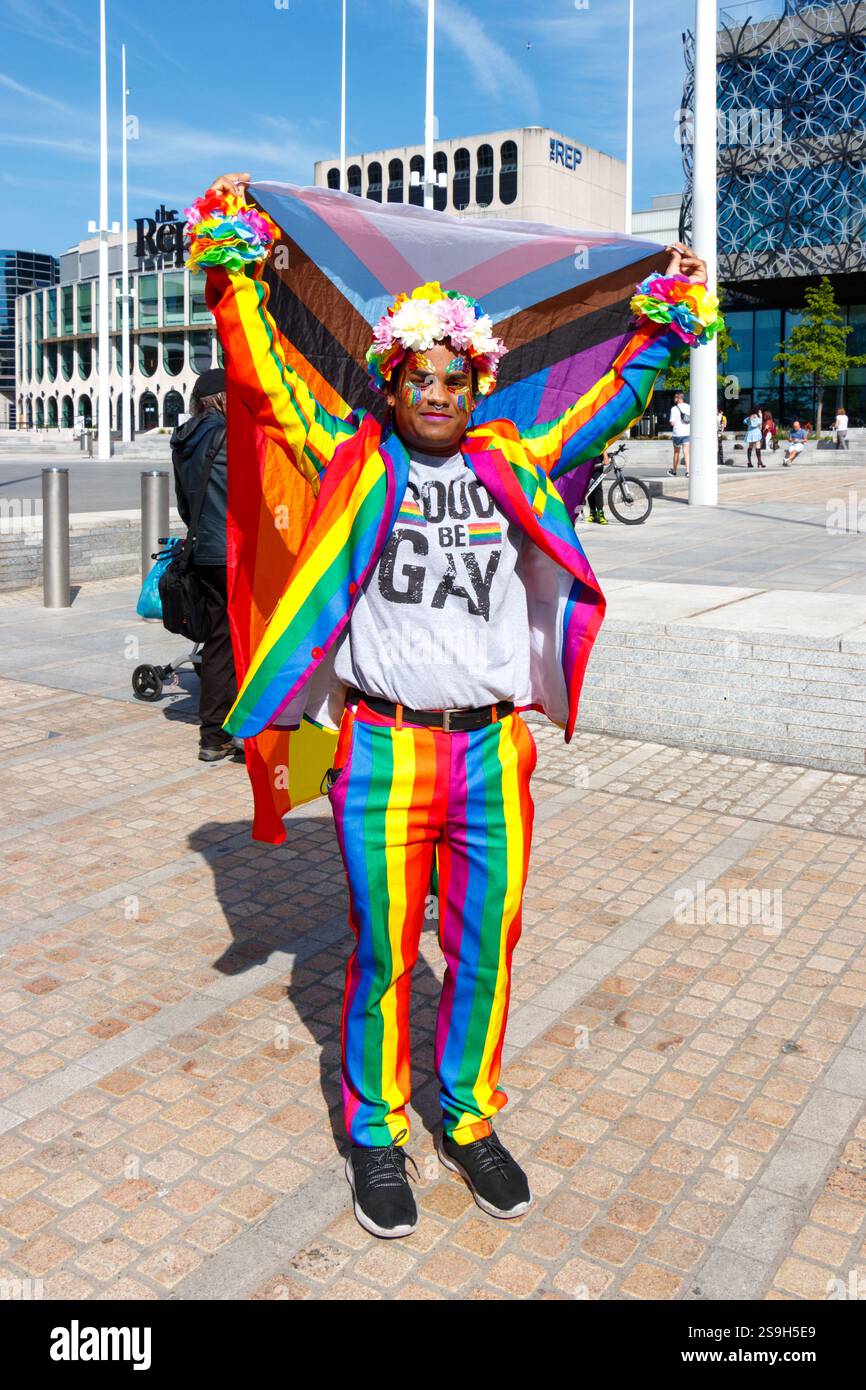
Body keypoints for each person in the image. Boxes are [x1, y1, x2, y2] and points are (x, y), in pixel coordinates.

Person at [190, 172, 720, 1239]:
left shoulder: (512, 460)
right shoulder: (349, 462)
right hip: (381, 750)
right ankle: (377, 1133)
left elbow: (607, 402)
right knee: (384, 952)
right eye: (418, 377)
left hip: (490, 754)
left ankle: (467, 1116)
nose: (436, 393)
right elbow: (264, 383)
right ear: (391, 382)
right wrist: (235, 275)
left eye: (454, 378)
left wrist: (663, 332)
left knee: (485, 945)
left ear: (476, 382)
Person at [170, 367, 240, 763]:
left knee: (218, 640)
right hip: (234, 552)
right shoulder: (230, 436)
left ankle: (217, 734)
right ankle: (233, 733)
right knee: (239, 641)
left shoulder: (183, 440)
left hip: (202, 551)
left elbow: (184, 504)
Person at [669, 391, 690, 476]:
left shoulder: (674, 408)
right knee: (686, 452)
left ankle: (674, 471)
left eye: (675, 397)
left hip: (677, 433)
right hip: (687, 432)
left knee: (676, 452)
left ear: (679, 398)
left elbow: (672, 423)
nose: (674, 399)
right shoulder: (689, 407)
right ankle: (688, 471)